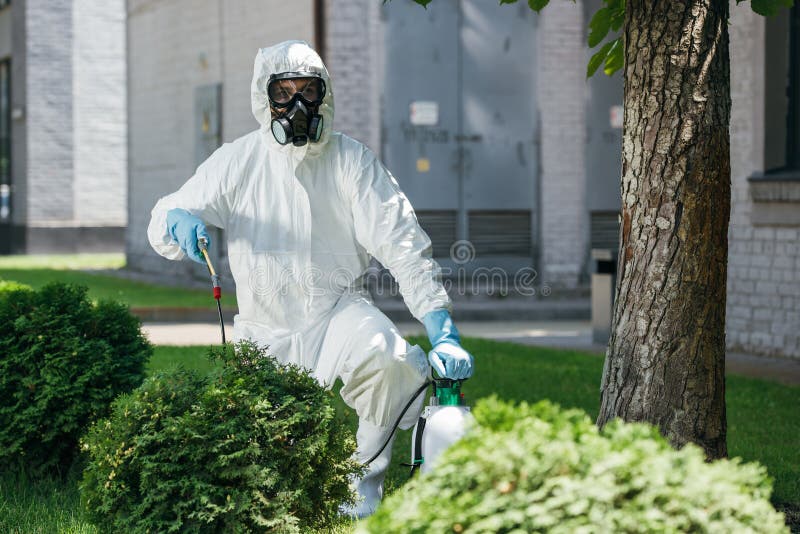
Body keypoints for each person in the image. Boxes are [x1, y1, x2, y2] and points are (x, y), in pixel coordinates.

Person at [147, 40, 473, 517]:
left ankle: (359, 494)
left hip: (337, 310)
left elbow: (402, 242)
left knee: (390, 363)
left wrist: (441, 327)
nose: (298, 106)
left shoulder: (351, 162)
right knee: (266, 467)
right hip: (266, 327)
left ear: (325, 96)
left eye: (308, 92)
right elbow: (165, 213)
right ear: (266, 98)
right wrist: (176, 218)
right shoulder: (239, 161)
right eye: (285, 93)